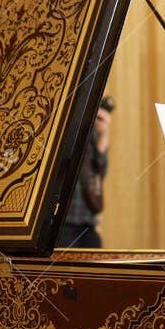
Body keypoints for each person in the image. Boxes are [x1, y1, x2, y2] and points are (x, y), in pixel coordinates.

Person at [57, 99, 111, 248]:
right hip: (63, 223)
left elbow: (100, 176)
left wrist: (103, 137)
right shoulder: (65, 127)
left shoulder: (93, 135)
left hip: (88, 222)